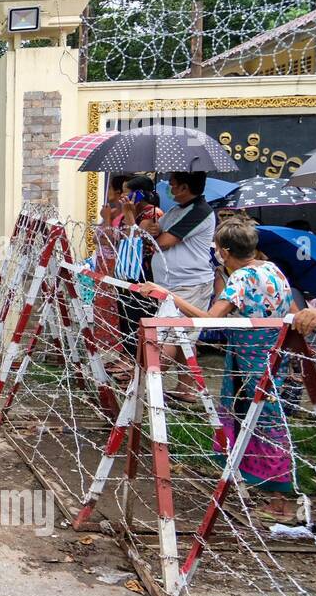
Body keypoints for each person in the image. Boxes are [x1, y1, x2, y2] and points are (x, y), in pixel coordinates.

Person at [139, 220, 294, 498]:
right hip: (274, 353)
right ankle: (251, 477)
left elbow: (210, 319)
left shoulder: (241, 278)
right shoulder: (273, 270)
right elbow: (290, 310)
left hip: (249, 357)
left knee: (258, 418)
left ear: (224, 250)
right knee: (264, 416)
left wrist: (170, 296)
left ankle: (276, 489)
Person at [142, 171, 216, 401]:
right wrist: (150, 227)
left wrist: (156, 235)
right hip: (171, 284)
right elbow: (149, 232)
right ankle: (187, 389)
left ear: (184, 187)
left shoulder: (200, 212)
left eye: (173, 185)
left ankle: (149, 385)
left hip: (190, 284)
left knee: (169, 336)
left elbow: (163, 243)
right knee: (185, 336)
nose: (170, 189)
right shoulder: (176, 210)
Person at [110, 175, 163, 374]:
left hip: (143, 273)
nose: (122, 195)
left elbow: (138, 241)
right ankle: (126, 354)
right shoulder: (129, 213)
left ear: (138, 194)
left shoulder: (153, 213)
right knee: (124, 314)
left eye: (126, 191)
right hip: (125, 271)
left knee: (136, 315)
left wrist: (130, 216)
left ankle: (134, 361)